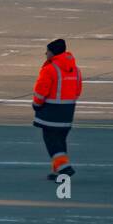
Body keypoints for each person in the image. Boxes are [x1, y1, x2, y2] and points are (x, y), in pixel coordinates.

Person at [33, 39, 82, 180]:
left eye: (47, 51)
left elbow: (41, 90)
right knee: (60, 141)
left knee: (52, 142)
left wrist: (36, 104)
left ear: (53, 53)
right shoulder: (76, 70)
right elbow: (77, 91)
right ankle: (58, 171)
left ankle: (65, 168)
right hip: (68, 112)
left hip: (51, 113)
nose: (45, 53)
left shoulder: (50, 69)